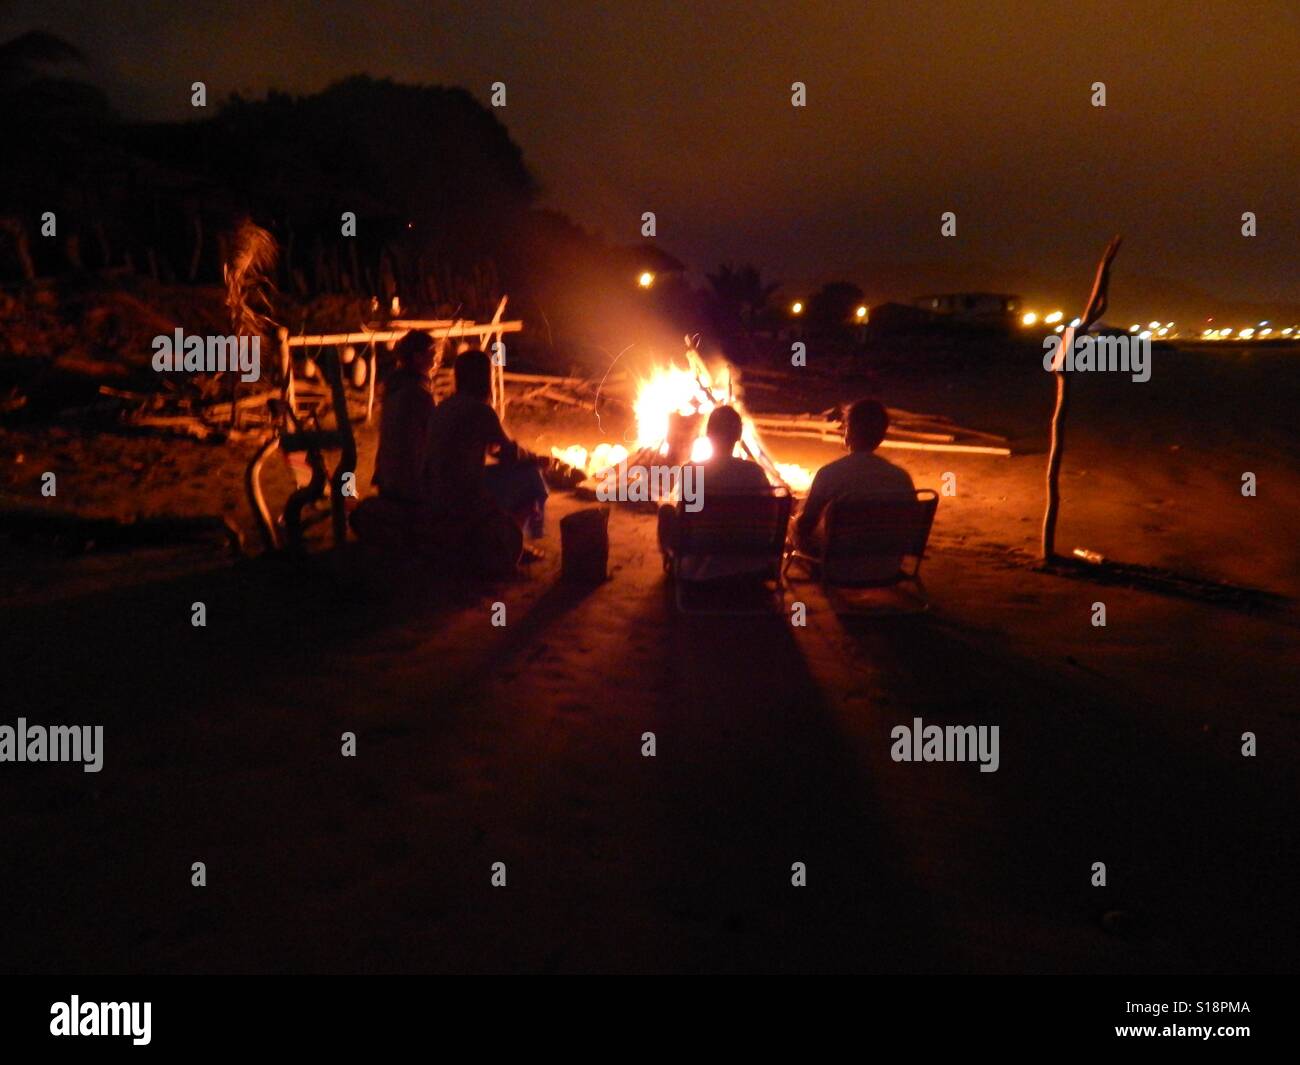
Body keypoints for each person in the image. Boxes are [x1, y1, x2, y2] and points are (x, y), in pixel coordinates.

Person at [426, 348, 548, 574]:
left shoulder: (444, 406)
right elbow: (508, 453)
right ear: (485, 378)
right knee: (531, 477)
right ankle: (509, 545)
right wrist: (536, 459)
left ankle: (500, 538)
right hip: (463, 493)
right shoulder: (481, 410)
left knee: (507, 473)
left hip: (434, 489)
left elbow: (491, 448)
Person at [793, 398, 916, 578]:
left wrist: (794, 518)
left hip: (839, 566)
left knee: (794, 525)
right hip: (887, 567)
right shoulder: (901, 477)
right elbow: (910, 528)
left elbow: (805, 526)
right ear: (881, 437)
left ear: (848, 432)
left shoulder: (829, 474)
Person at [658, 405, 773, 581]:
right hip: (750, 564)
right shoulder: (756, 472)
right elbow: (770, 516)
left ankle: (674, 569)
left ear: (708, 434)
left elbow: (683, 519)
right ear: (738, 436)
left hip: (700, 565)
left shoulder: (691, 471)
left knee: (666, 510)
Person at [372, 330, 438, 505]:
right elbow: (434, 434)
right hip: (409, 479)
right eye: (431, 353)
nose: (435, 359)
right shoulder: (417, 394)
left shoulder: (394, 387)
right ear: (418, 357)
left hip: (386, 473)